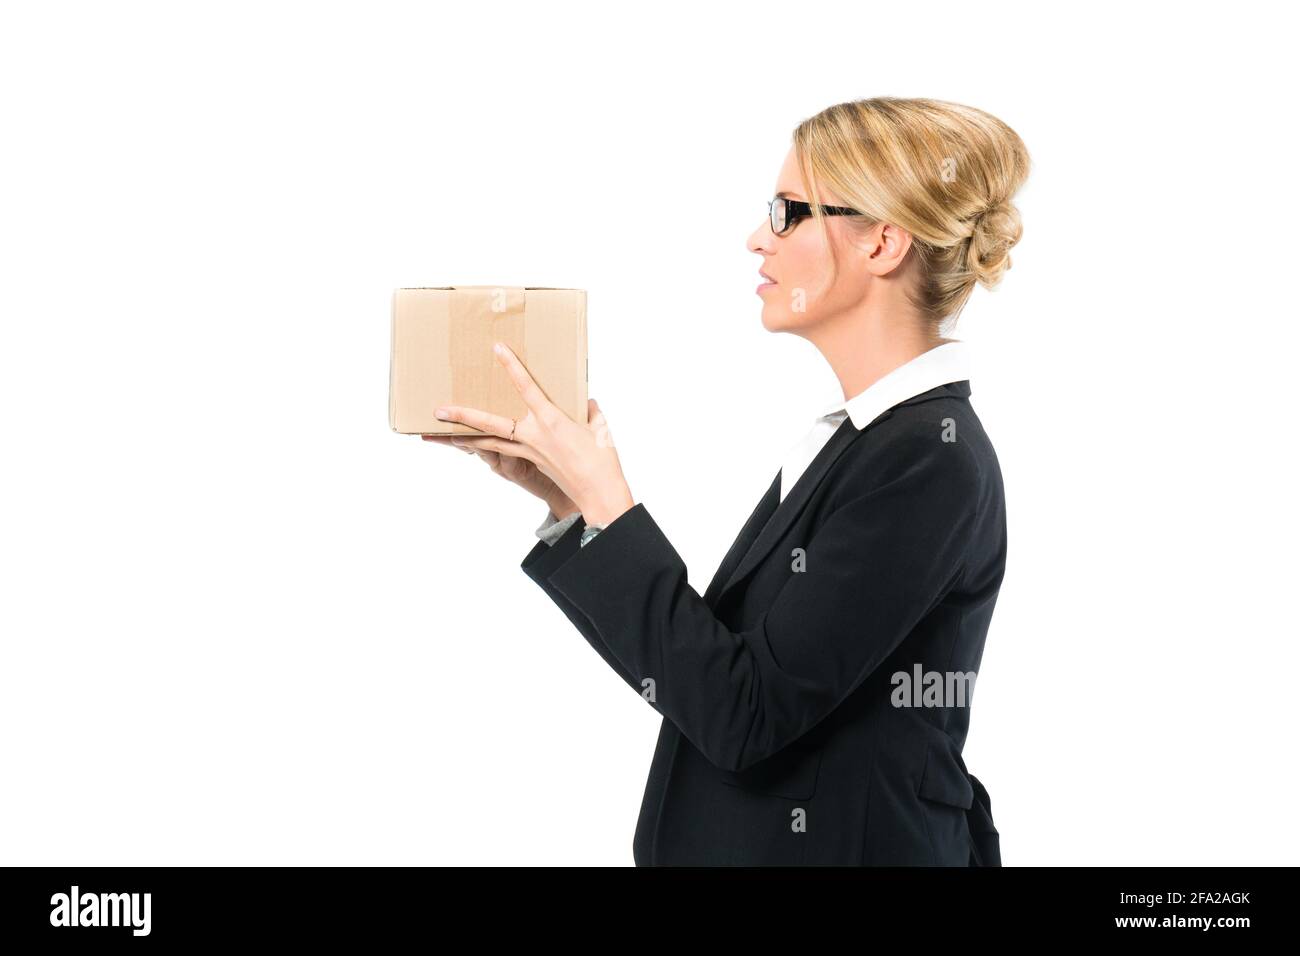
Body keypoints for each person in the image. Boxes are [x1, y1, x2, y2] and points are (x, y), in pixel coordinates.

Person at [424, 96, 1030, 865]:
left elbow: (743, 717)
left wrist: (616, 507)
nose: (757, 238)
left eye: (787, 212)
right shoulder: (864, 442)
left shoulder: (927, 459)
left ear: (883, 242)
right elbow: (717, 678)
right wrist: (580, 509)